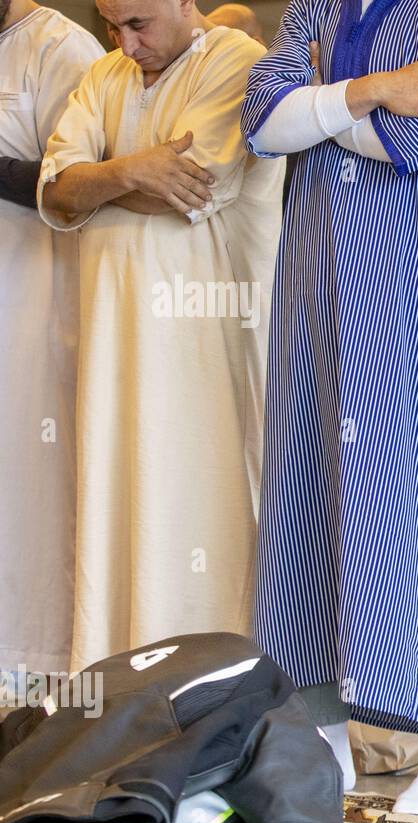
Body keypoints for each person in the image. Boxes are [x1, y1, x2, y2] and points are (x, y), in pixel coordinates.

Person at [242, 0, 418, 808]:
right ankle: (325, 743)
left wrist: (321, 99)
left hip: (411, 280)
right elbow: (258, 123)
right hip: (313, 279)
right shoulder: (311, 4)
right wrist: (378, 89)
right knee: (303, 490)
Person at [37, 0, 282, 670]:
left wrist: (100, 178)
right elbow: (56, 191)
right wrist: (128, 171)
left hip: (207, 347)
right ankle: (122, 702)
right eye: (111, 25)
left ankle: (218, 702)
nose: (124, 41)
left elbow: (191, 185)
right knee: (121, 503)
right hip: (114, 347)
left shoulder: (239, 62)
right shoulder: (107, 74)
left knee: (204, 504)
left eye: (138, 23)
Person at [0, 0, 103, 677]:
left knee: (27, 501)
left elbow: (78, 186)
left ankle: (32, 684)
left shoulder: (60, 50)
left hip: (31, 317)